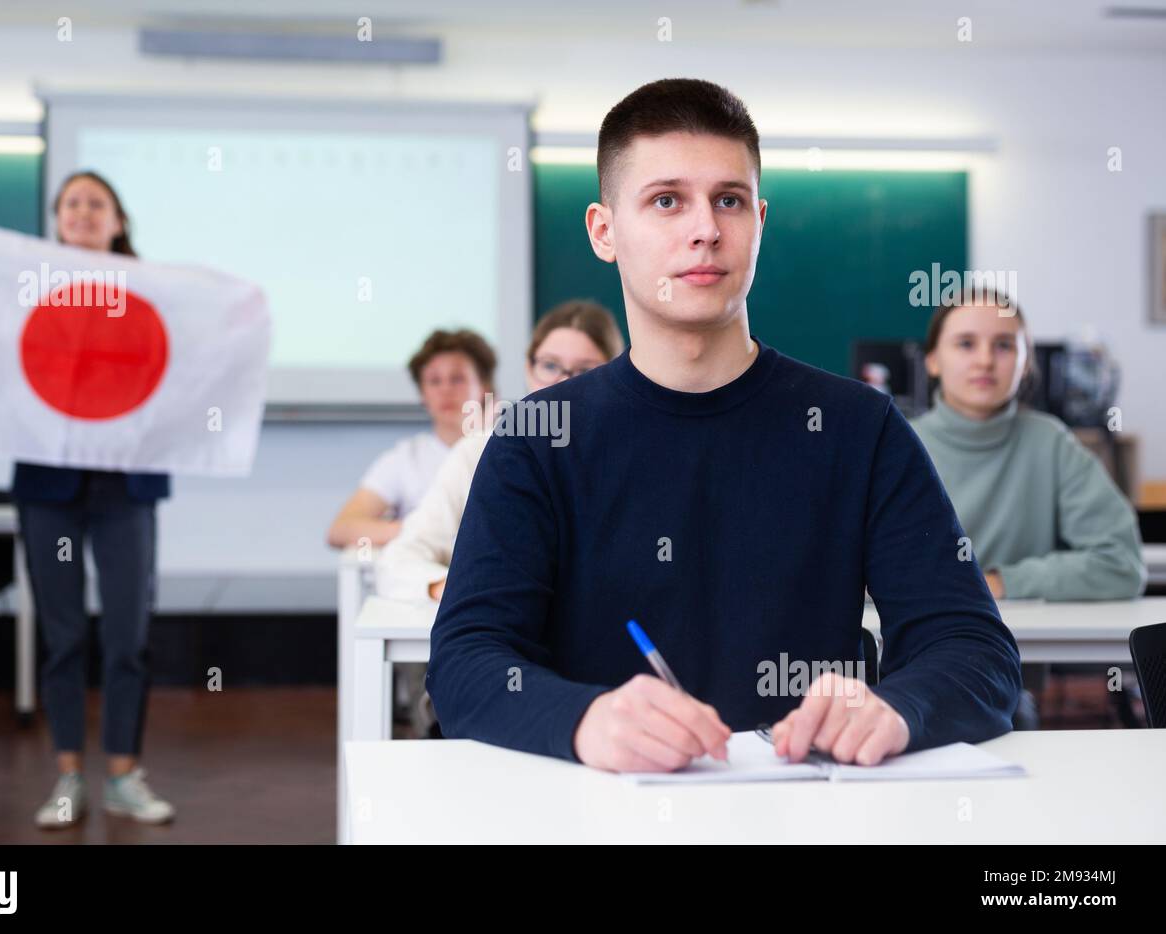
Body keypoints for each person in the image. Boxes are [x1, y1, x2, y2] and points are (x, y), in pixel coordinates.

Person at [426, 78, 1021, 773]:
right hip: (599, 808)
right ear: (604, 231)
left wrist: (899, 706)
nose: (705, 228)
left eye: (729, 200)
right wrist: (582, 720)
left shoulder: (859, 427)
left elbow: (977, 652)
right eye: (667, 200)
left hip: (805, 808)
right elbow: (465, 663)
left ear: (758, 221)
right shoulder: (538, 437)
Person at [15, 171, 174, 827]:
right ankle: (67, 777)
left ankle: (123, 775)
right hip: (49, 484)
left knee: (127, 632)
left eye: (96, 203)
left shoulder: (156, 293)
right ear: (56, 219)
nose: (83, 212)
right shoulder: (23, 287)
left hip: (126, 485)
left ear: (118, 221)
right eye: (72, 203)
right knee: (61, 633)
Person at [912, 291, 1146, 728]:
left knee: (1008, 718)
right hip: (909, 666)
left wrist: (1003, 581)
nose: (985, 360)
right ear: (932, 361)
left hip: (1006, 675)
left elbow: (1121, 564)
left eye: (1004, 345)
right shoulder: (898, 443)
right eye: (966, 344)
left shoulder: (1051, 442)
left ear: (1026, 363)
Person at [375, 300, 624, 604]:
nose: (563, 382)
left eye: (585, 370)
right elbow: (399, 559)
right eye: (549, 366)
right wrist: (447, 587)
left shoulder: (632, 455)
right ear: (528, 370)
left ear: (614, 376)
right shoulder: (481, 449)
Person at [326, 329, 495, 548]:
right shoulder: (405, 458)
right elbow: (341, 530)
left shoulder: (506, 449)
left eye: (457, 379)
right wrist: (423, 531)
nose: (445, 390)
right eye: (434, 381)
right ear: (422, 394)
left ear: (483, 387)